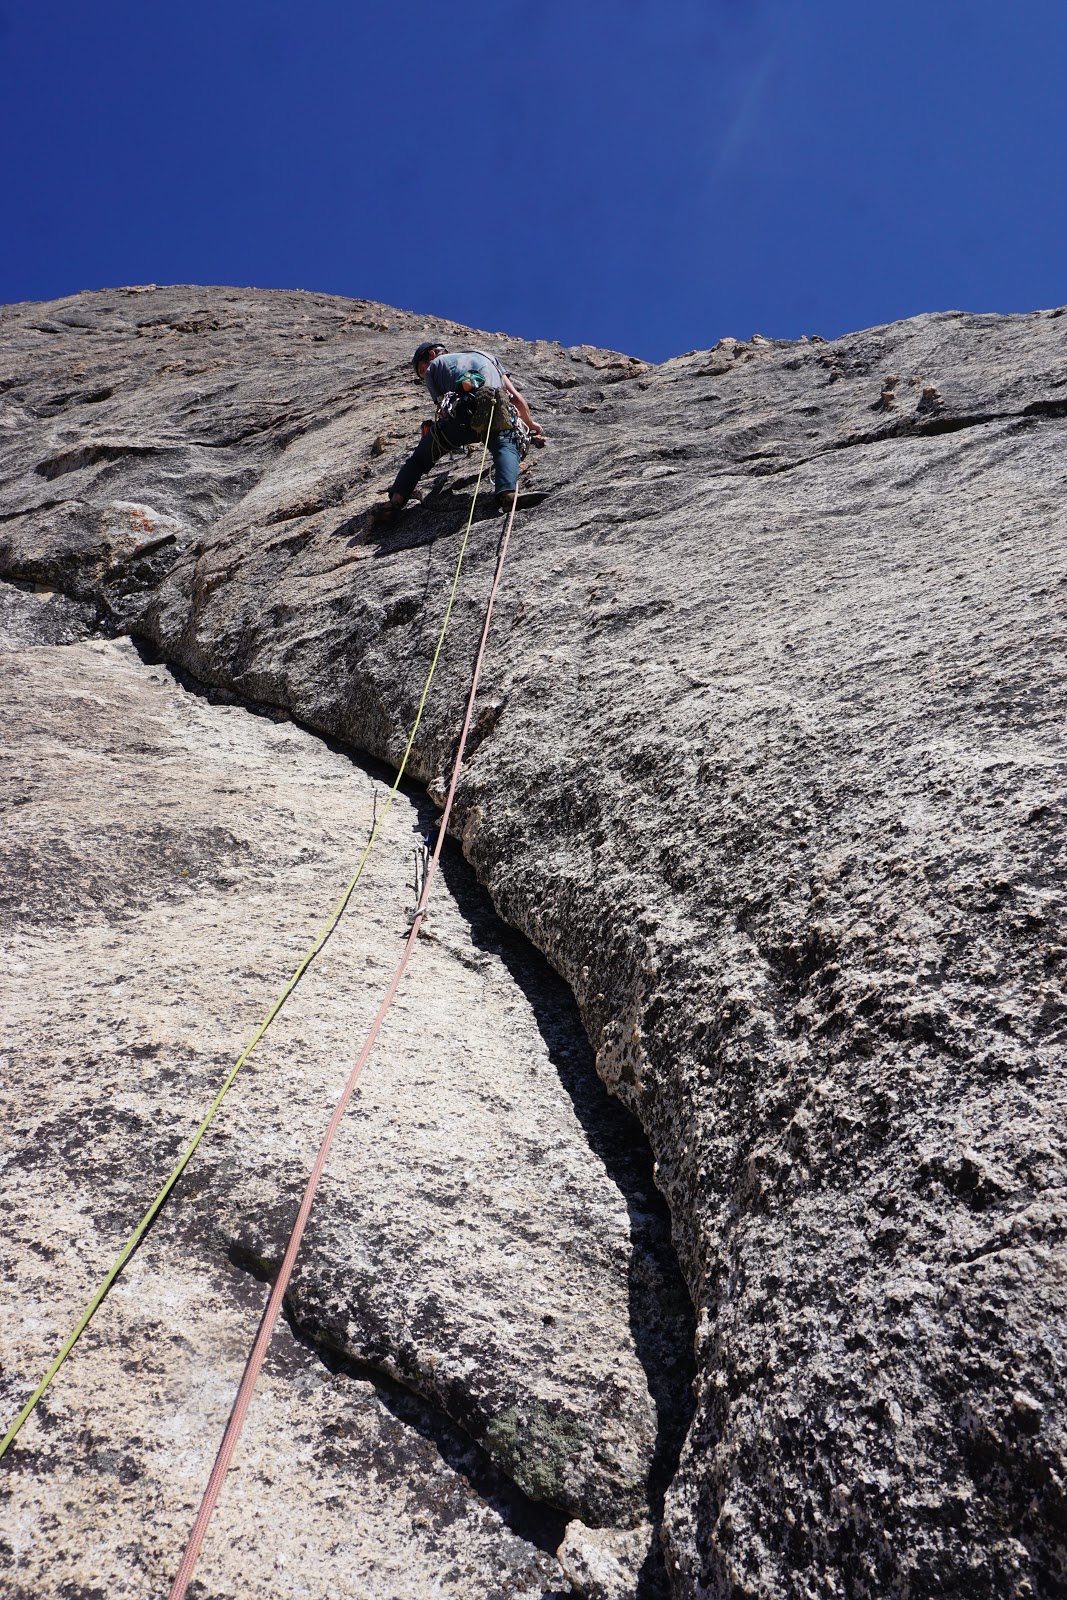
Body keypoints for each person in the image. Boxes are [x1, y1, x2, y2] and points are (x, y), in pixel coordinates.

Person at [370, 342, 545, 526]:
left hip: (458, 418)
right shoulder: (489, 358)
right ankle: (508, 494)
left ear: (431, 354)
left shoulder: (435, 366)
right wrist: (532, 424)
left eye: (421, 369)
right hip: (494, 411)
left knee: (419, 460)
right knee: (506, 445)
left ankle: (394, 502)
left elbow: (444, 406)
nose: (423, 375)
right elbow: (516, 398)